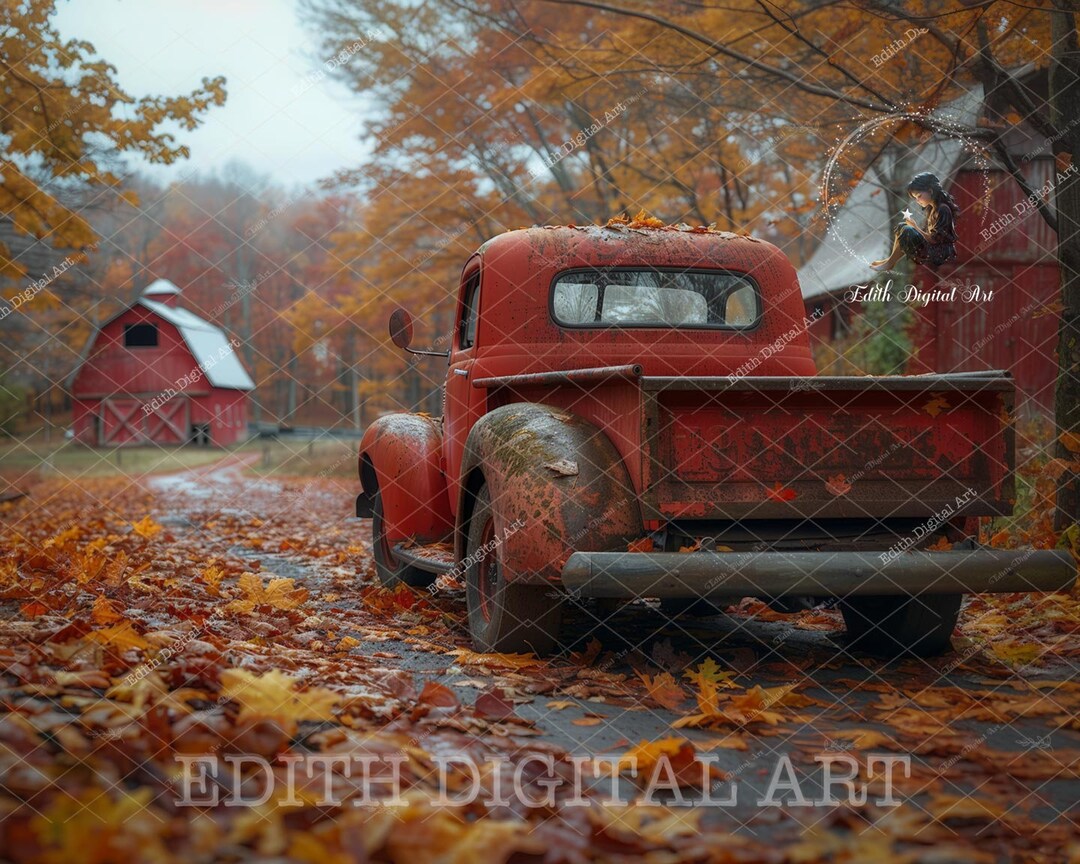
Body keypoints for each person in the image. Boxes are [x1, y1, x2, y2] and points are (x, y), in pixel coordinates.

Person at [870, 172, 958, 271]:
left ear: (930, 191)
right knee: (902, 226)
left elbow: (934, 240)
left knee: (908, 230)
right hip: (933, 247)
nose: (917, 200)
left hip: (940, 252)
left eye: (919, 196)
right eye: (915, 198)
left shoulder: (943, 209)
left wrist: (915, 227)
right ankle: (891, 260)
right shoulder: (932, 208)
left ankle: (890, 263)